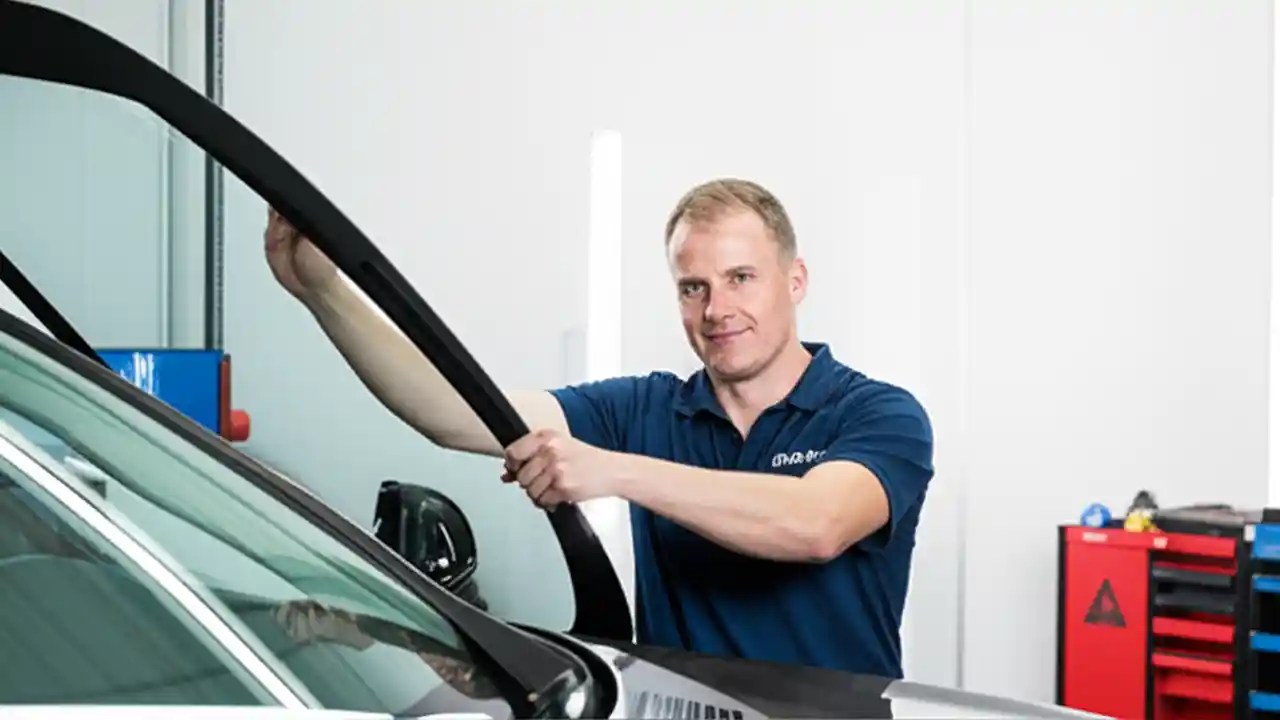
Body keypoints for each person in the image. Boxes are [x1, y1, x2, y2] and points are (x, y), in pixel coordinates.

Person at [264, 178, 934, 679]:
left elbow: (815, 524)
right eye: (693, 287)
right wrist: (324, 293)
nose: (716, 309)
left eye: (741, 278)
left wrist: (612, 470)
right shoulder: (645, 409)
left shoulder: (879, 414)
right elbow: (453, 412)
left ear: (795, 280)